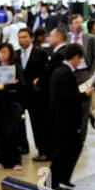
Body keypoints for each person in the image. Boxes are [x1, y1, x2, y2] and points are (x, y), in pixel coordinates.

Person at [47, 43, 92, 190]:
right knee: (63, 151)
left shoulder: (61, 70)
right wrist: (83, 94)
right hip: (65, 119)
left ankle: (63, 178)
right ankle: (53, 182)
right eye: (80, 59)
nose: (80, 62)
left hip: (63, 118)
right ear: (75, 57)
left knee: (72, 148)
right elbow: (65, 97)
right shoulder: (65, 72)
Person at [0, 41, 25, 170]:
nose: (2, 55)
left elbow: (19, 84)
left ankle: (16, 160)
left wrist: (4, 86)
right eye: (0, 52)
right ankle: (0, 159)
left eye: (5, 52)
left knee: (12, 133)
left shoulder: (16, 67)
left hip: (12, 104)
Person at [20, 27, 53, 161]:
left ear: (31, 38)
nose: (22, 40)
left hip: (36, 94)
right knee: (19, 121)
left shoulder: (40, 53)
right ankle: (22, 146)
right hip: (20, 93)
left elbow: (46, 71)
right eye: (20, 37)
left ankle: (43, 150)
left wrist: (39, 80)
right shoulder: (16, 54)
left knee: (38, 123)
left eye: (24, 37)